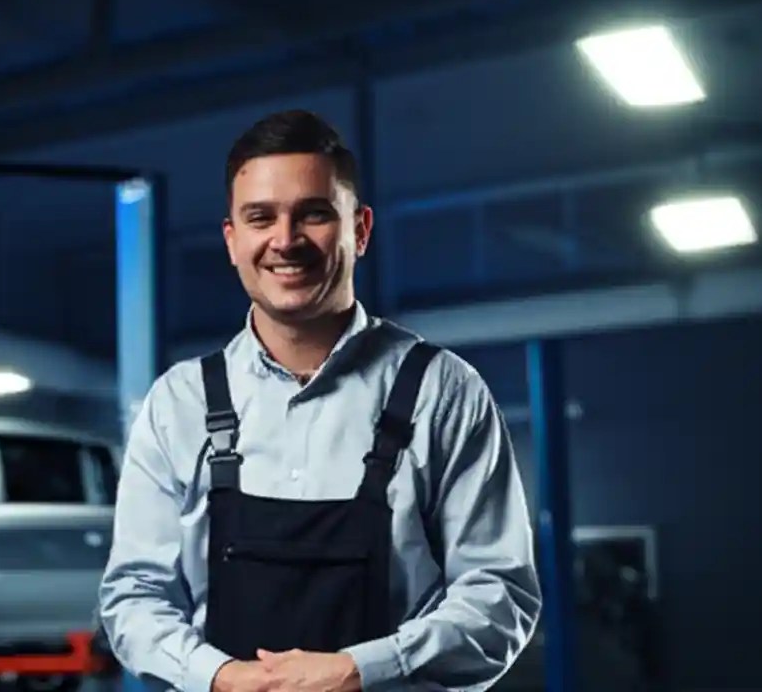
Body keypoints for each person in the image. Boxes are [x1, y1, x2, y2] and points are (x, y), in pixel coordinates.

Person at [98, 110, 541, 692]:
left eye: (313, 214)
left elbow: (499, 599)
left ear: (359, 229)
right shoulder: (178, 404)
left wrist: (364, 669)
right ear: (232, 240)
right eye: (261, 218)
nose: (285, 241)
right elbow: (134, 597)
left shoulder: (444, 392)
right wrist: (222, 677)